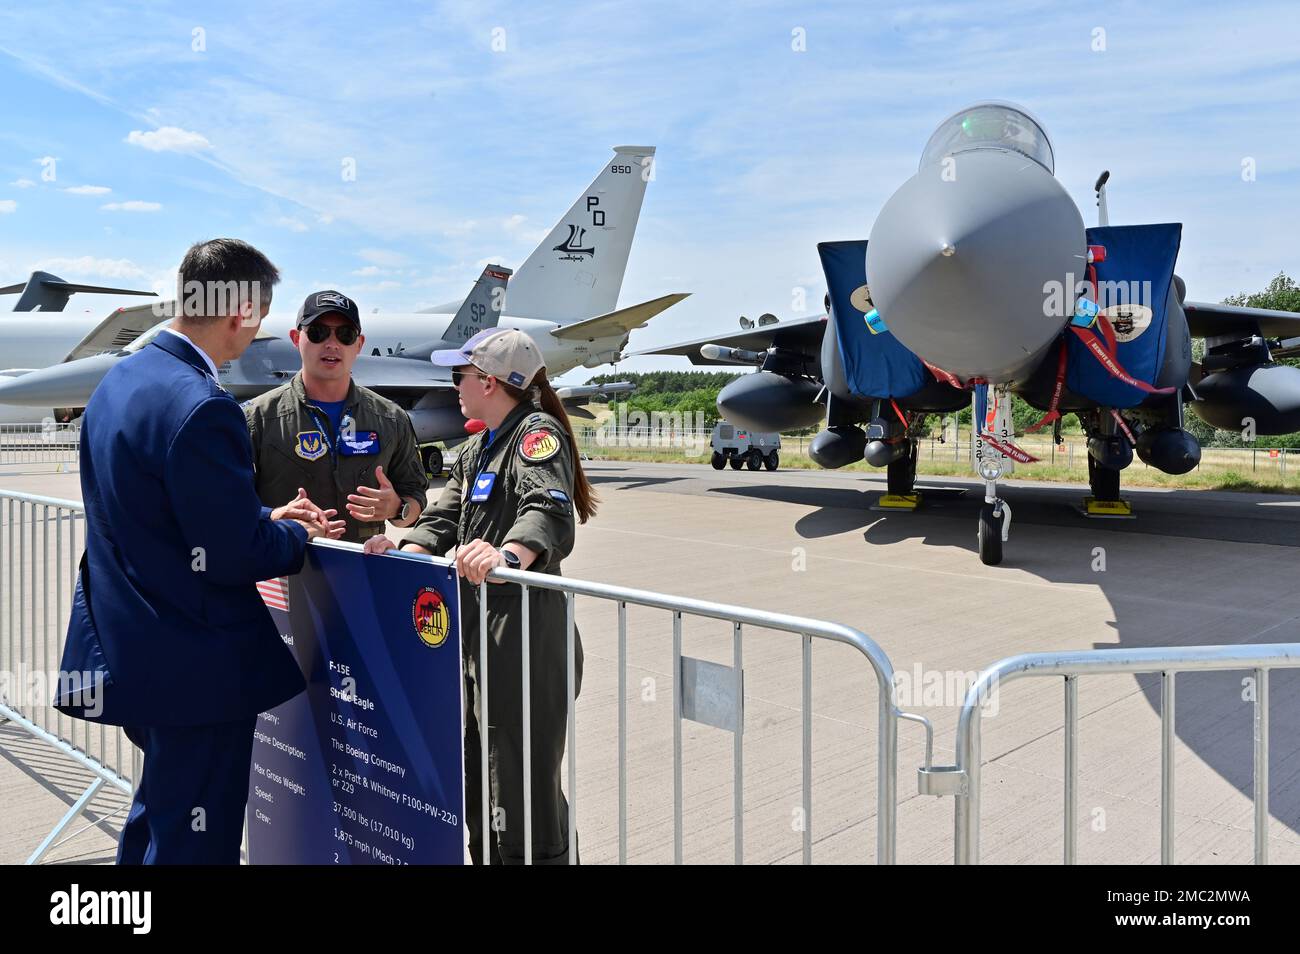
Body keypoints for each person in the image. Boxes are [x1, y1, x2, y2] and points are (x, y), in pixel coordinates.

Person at [53, 238, 344, 865]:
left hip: (136, 650)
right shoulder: (202, 404)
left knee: (158, 819)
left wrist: (265, 515)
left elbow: (164, 514)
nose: (257, 331)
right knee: (194, 845)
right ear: (240, 310)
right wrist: (296, 534)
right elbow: (233, 552)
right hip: (195, 667)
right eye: (261, 315)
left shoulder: (121, 381)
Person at [364, 328, 597, 864]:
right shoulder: (475, 448)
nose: (455, 386)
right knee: (482, 774)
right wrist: (401, 550)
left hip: (523, 638)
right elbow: (442, 520)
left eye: (458, 376)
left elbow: (549, 509)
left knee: (521, 786)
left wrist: (508, 555)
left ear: (488, 381)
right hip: (477, 639)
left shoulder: (536, 434)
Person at [242, 290, 427, 544]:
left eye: (345, 335)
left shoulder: (391, 418)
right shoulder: (257, 418)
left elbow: (414, 495)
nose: (332, 344)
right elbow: (227, 502)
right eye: (318, 332)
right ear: (296, 339)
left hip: (364, 568)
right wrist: (273, 515)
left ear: (359, 344)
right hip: (286, 572)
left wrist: (397, 508)